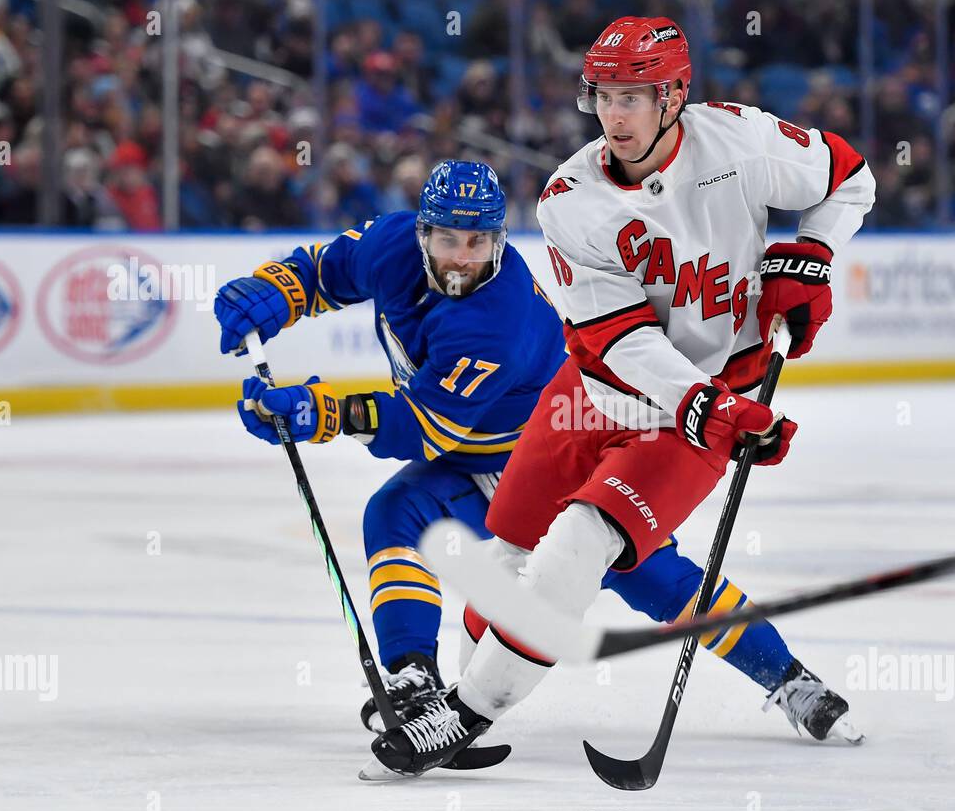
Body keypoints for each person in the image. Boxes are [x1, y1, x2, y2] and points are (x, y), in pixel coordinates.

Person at [211, 159, 859, 748]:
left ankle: (789, 678)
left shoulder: (496, 319)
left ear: (498, 239)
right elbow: (324, 272)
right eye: (448, 240)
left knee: (654, 578)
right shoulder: (390, 244)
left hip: (549, 459)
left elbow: (421, 429)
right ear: (421, 234)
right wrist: (274, 292)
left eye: (479, 242)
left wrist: (320, 413)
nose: (463, 258)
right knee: (395, 513)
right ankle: (413, 678)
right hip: (478, 454)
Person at [374, 18, 875, 776]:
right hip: (594, 395)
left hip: (686, 421)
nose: (615, 114)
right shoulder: (571, 199)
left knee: (586, 542)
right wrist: (712, 404)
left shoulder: (741, 143)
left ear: (675, 94)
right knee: (505, 558)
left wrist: (809, 257)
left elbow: (850, 179)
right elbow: (622, 343)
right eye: (605, 95)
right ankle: (468, 681)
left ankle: (464, 716)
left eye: (634, 95)